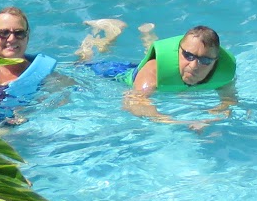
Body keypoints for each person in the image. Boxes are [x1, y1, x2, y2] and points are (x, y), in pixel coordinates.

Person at [77, 19, 237, 127]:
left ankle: (147, 35)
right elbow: (133, 103)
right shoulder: (153, 71)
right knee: (83, 64)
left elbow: (229, 102)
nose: (194, 65)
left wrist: (208, 120)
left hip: (168, 77)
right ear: (178, 52)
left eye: (205, 61)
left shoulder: (224, 73)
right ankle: (108, 29)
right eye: (188, 56)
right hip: (120, 73)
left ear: (216, 60)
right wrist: (177, 122)